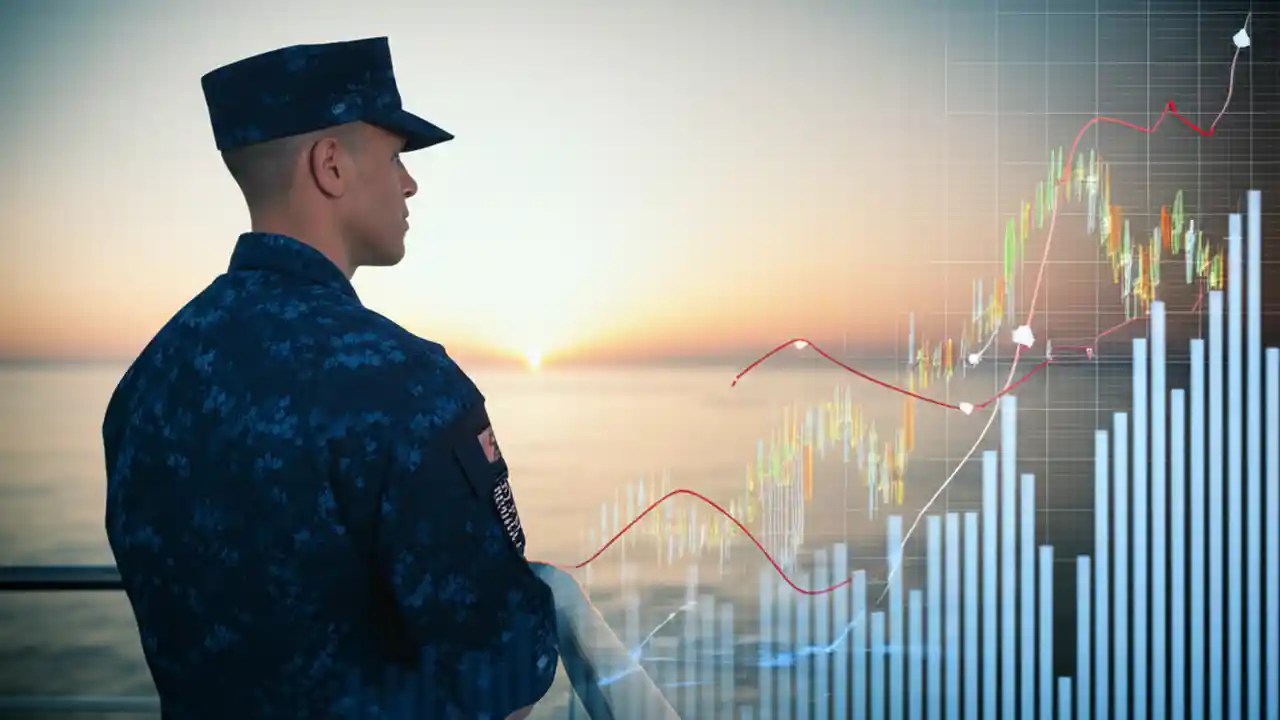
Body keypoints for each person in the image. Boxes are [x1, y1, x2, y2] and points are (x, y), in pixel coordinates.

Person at [101, 37, 558, 719]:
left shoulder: (145, 384)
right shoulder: (405, 383)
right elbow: (505, 669)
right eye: (397, 157)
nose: (409, 183)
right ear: (332, 165)